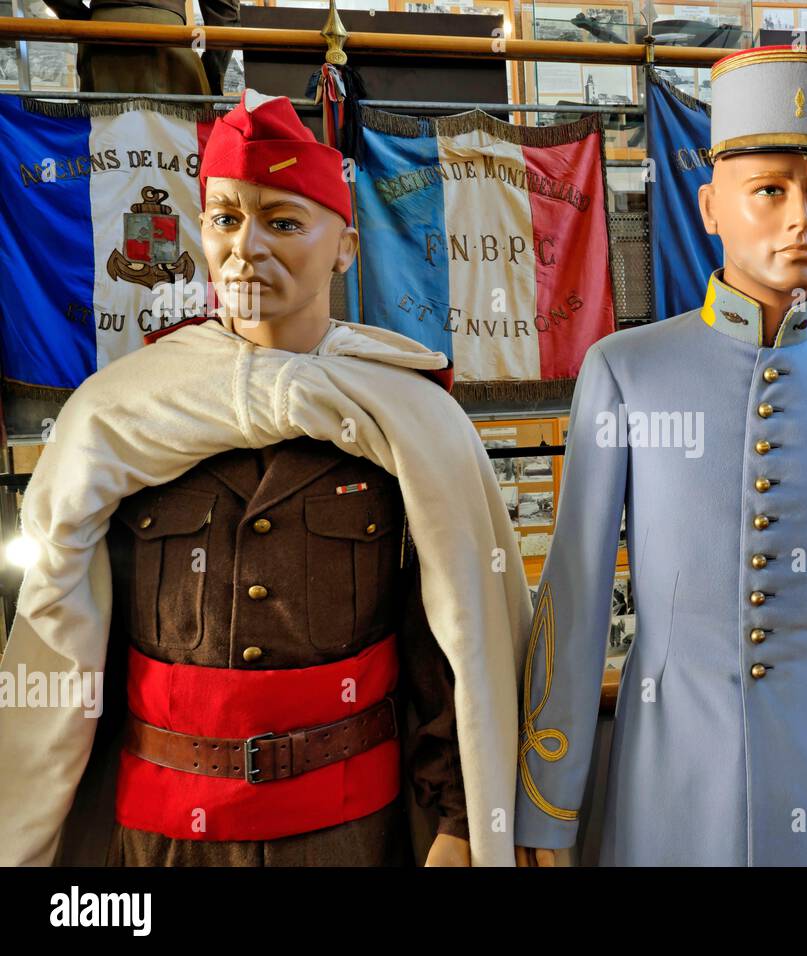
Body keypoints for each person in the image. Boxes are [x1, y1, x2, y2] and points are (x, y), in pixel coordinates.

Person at [0, 90, 531, 867]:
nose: (246, 248)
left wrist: (458, 821)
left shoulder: (409, 421)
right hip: (162, 835)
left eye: (283, 221)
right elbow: (71, 631)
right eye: (224, 218)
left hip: (346, 833)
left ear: (344, 248)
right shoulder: (117, 417)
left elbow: (449, 642)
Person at [513, 44, 807, 866]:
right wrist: (548, 807)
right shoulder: (625, 371)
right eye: (770, 191)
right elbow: (577, 599)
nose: (802, 217)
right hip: (667, 783)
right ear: (709, 208)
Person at [42, 0, 238, 96]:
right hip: (171, 37)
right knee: (177, 155)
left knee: (105, 152)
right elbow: (224, 13)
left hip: (102, 36)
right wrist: (210, 75)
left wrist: (87, 24)